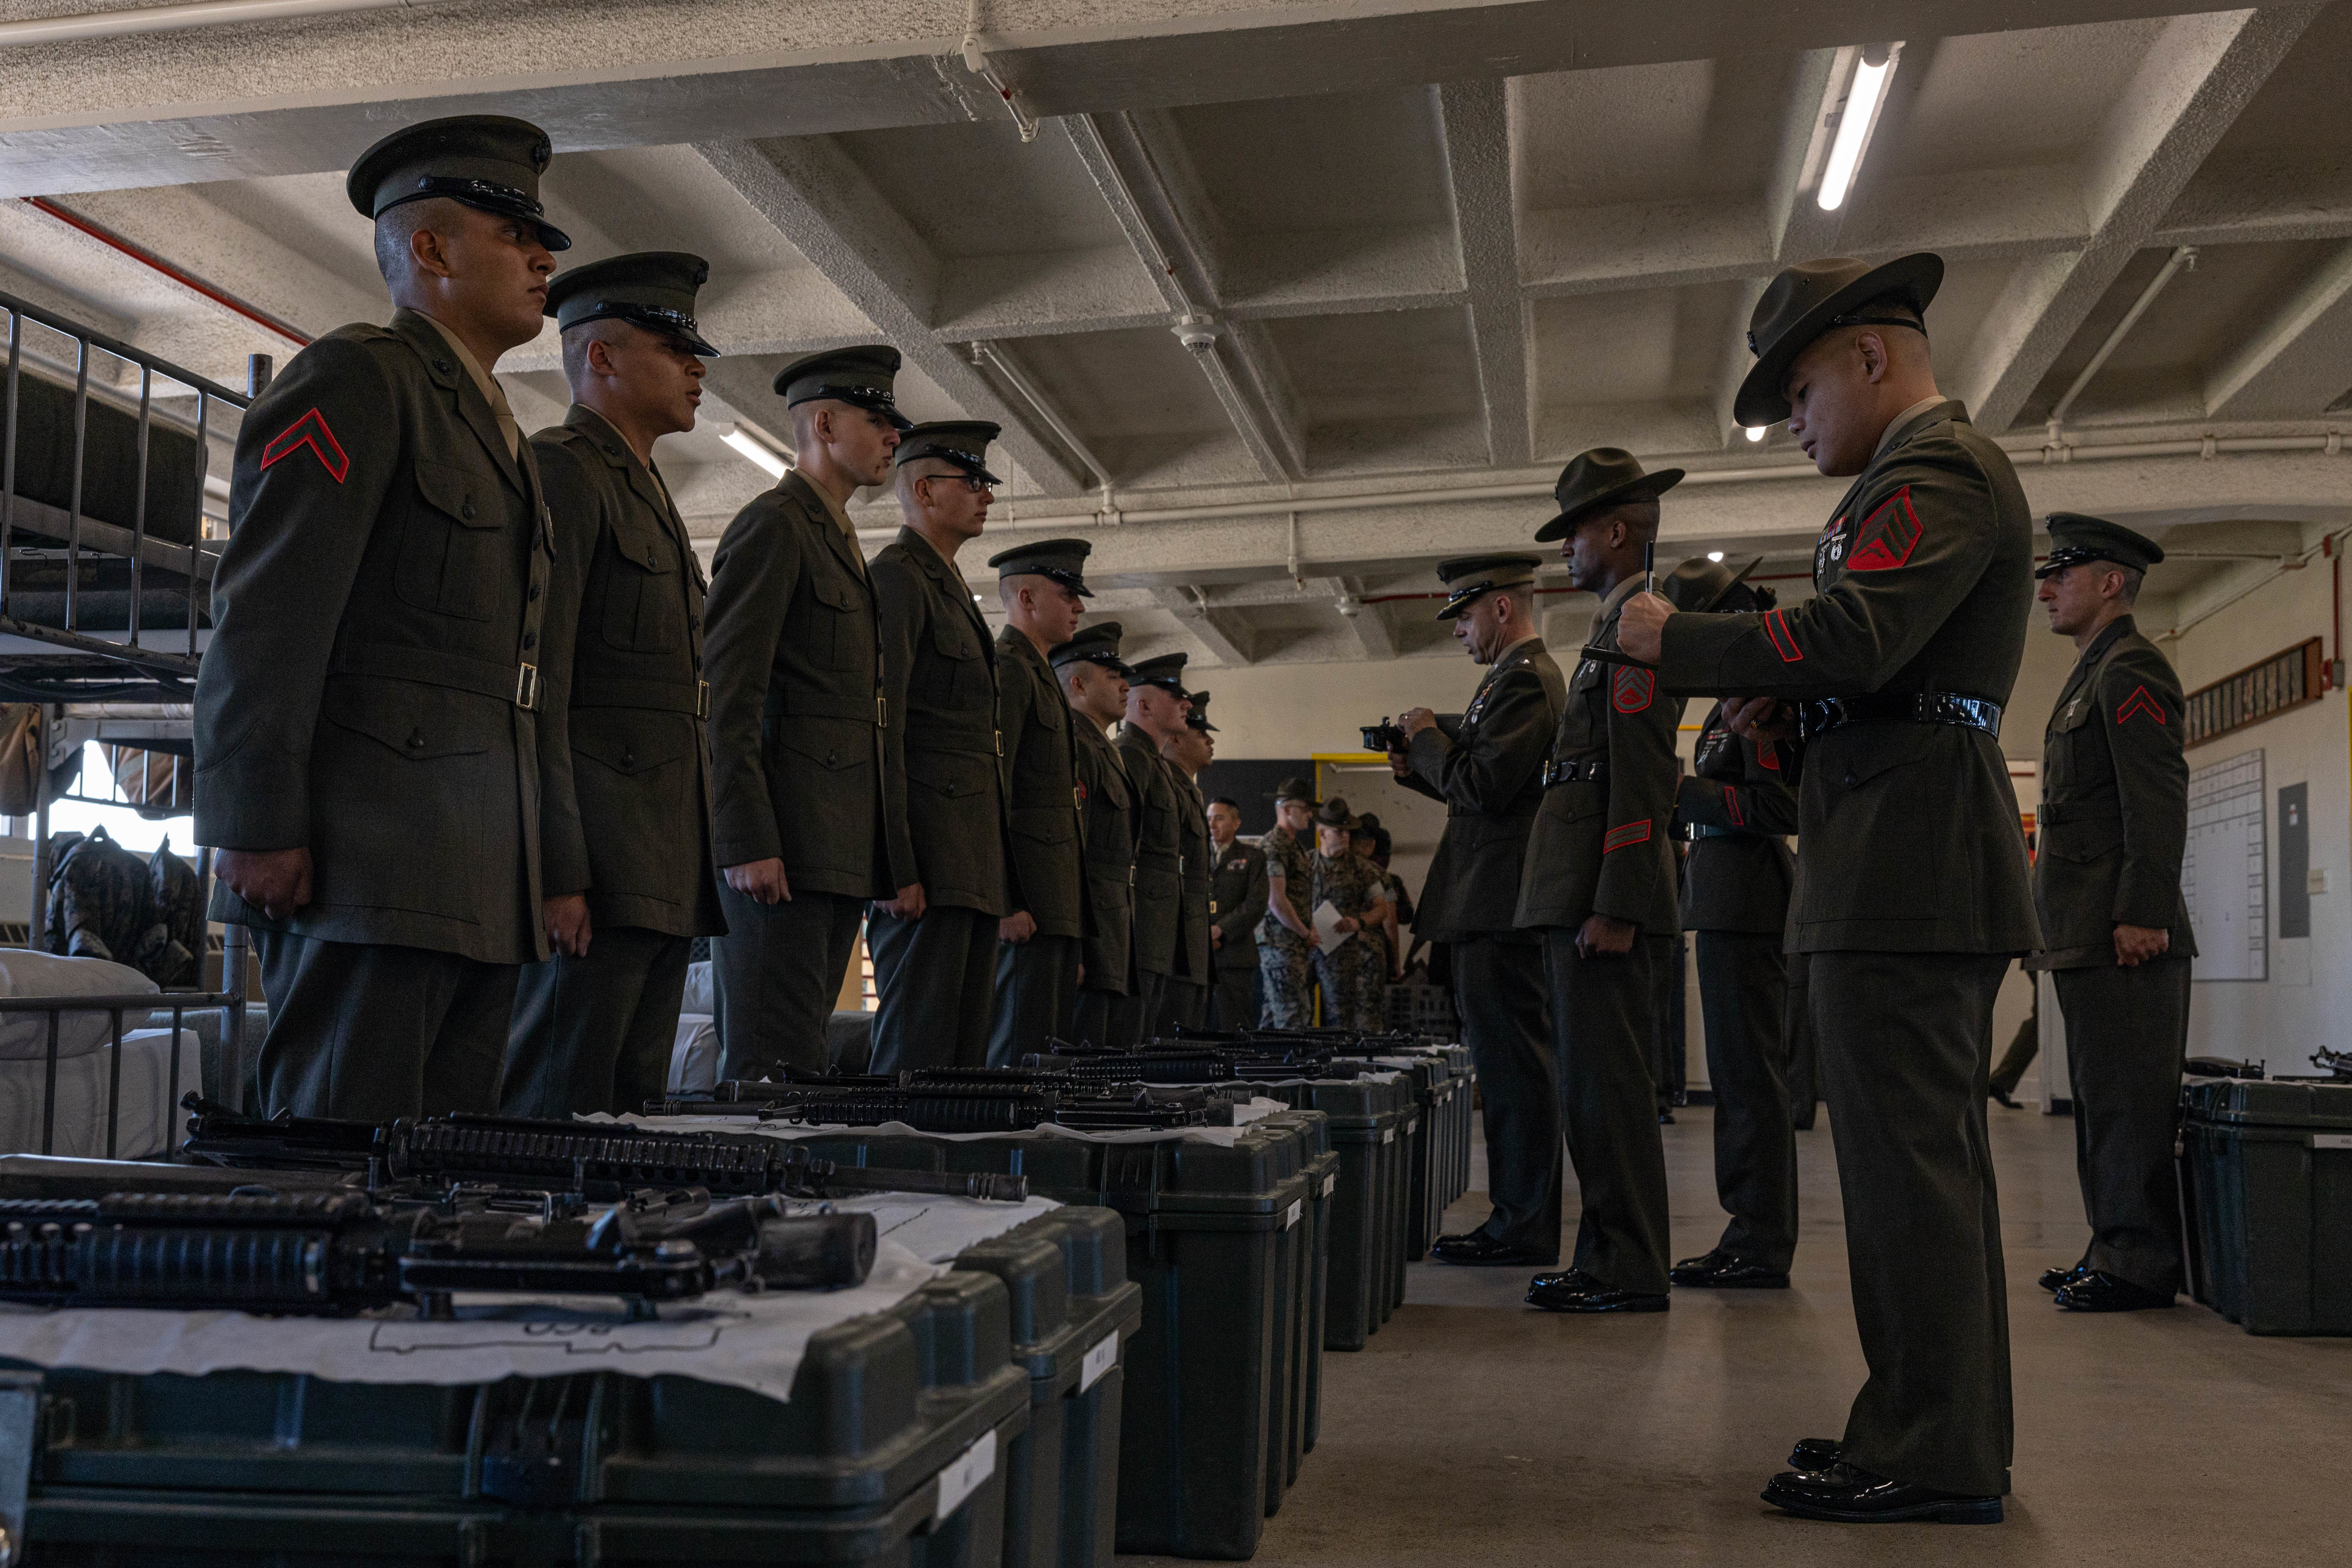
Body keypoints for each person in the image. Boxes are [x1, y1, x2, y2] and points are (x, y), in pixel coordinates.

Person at [1618, 251, 2038, 1524]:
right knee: (1909, 1170)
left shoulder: (1936, 471)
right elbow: (1864, 656)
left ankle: (1928, 1442)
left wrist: (1676, 643)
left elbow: (1859, 637)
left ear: (1868, 355)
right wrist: (1780, 683)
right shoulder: (1908, 481)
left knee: (1906, 1170)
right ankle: (1933, 1423)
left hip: (1906, 857)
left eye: (1795, 391)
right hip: (1893, 843)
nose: (1791, 421)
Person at [195, 115, 568, 1119]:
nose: (543, 258)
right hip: (369, 858)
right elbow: (268, 613)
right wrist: (254, 820)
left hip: (473, 866)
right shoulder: (360, 378)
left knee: (445, 1180)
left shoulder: (502, 433)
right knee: (338, 1163)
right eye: (512, 236)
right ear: (430, 249)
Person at [502, 251, 727, 1118]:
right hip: (596, 866)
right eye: (672, 347)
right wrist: (556, 870)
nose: (695, 367)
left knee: (631, 1117)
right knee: (556, 1111)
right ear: (599, 358)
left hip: (656, 863)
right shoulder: (564, 469)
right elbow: (540, 684)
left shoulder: (644, 492)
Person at [703, 345, 912, 1080]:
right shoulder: (774, 526)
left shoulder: (838, 541)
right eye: (877, 418)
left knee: (801, 1064)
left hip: (830, 853)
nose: (893, 435)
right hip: (780, 852)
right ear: (823, 422)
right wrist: (745, 839)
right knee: (768, 1065)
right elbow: (725, 696)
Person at [1515, 450, 1684, 1315]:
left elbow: (1640, 773)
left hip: (1599, 901)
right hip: (1580, 891)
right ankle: (1609, 1254)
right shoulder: (1611, 626)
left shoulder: (1637, 623)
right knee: (1590, 1089)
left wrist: (1615, 903)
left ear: (1615, 532)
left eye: (1575, 533)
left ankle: (1625, 1265)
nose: (1567, 551)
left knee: (1606, 1092)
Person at [2026, 514, 2196, 1313]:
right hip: (2087, 929)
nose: (2045, 587)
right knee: (2101, 1102)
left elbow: (2154, 803)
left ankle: (2137, 1263)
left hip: (2123, 930)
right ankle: (2111, 1246)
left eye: (2062, 572)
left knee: (2128, 1104)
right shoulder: (2094, 669)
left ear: (2109, 583)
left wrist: (2141, 912)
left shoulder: (2129, 670)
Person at [1391, 553, 1565, 1267]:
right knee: (1505, 1072)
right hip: (1489, 907)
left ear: (1502, 607)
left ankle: (1520, 1225)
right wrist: (1424, 765)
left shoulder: (1524, 682)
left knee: (1514, 1075)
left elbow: (1487, 786)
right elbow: (1483, 792)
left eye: (1464, 615)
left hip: (1499, 909)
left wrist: (1431, 738)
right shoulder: (1508, 684)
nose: (1459, 631)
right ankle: (1514, 1217)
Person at [1660, 556, 1801, 1291]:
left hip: (1749, 906)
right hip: (1722, 904)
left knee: (1750, 1083)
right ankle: (1746, 1227)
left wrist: (1690, 797)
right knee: (1738, 1077)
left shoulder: (1761, 700)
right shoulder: (1729, 703)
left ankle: (1759, 1237)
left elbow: (1784, 809)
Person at [868, 421, 1013, 1073]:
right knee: (914, 1057)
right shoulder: (898, 579)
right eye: (972, 481)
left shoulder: (949, 585)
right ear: (924, 490)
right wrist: (895, 865)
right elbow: (884, 726)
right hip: (927, 862)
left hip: (968, 861)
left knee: (960, 1066)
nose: (986, 495)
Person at [987, 538, 1093, 1063]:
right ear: (1026, 598)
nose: (1079, 606)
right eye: (1067, 592)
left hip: (1052, 904)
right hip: (1026, 904)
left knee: (1042, 1055)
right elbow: (995, 788)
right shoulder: (1009, 668)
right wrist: (1006, 898)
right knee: (1015, 1051)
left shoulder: (1041, 676)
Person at [1055, 622, 1138, 1047]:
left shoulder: (1104, 748)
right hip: (1093, 932)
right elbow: (1074, 853)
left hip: (1113, 929)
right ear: (1078, 683)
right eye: (1113, 676)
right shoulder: (1076, 743)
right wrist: (1081, 944)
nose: (1126, 686)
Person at [1116, 653, 1191, 1043]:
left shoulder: (1156, 761)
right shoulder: (1131, 755)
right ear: (1143, 705)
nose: (1187, 703)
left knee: (1146, 1038)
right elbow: (1121, 847)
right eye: (1173, 694)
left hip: (1156, 928)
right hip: (1138, 927)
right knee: (1130, 1041)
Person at [1157, 689, 1217, 1032]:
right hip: (1173, 942)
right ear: (1177, 741)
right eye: (1201, 733)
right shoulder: (1168, 786)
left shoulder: (1189, 791)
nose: (1210, 741)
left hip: (1192, 940)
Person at [1306, 797, 1388, 1030]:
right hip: (1307, 949)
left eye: (1347, 833)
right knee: (1299, 1016)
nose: (1346, 837)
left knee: (1342, 1021)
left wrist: (1359, 923)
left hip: (1343, 955)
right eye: (1339, 832)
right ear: (1322, 833)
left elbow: (1382, 908)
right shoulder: (1304, 864)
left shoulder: (1363, 868)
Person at [1255, 778, 1322, 1028]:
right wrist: (1305, 933)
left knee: (1275, 1019)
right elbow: (1276, 901)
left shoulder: (1293, 846)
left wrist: (1309, 930)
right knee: (1293, 1019)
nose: (1310, 815)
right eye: (1304, 809)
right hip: (1280, 945)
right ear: (1285, 809)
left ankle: (1262, 1066)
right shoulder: (1274, 845)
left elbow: (1296, 898)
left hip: (1290, 944)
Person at [1206, 796, 1269, 1029]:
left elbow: (1256, 903)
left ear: (1236, 823)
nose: (1212, 825)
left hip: (1235, 955)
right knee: (1197, 1027)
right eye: (1209, 819)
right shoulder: (1196, 855)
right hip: (1199, 955)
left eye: (1219, 819)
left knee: (1235, 1024)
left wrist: (1221, 929)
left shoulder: (1253, 857)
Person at [1349, 817, 1402, 990]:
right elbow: (1390, 921)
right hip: (1370, 956)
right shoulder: (1383, 878)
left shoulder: (1333, 870)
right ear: (1372, 845)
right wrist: (1395, 962)